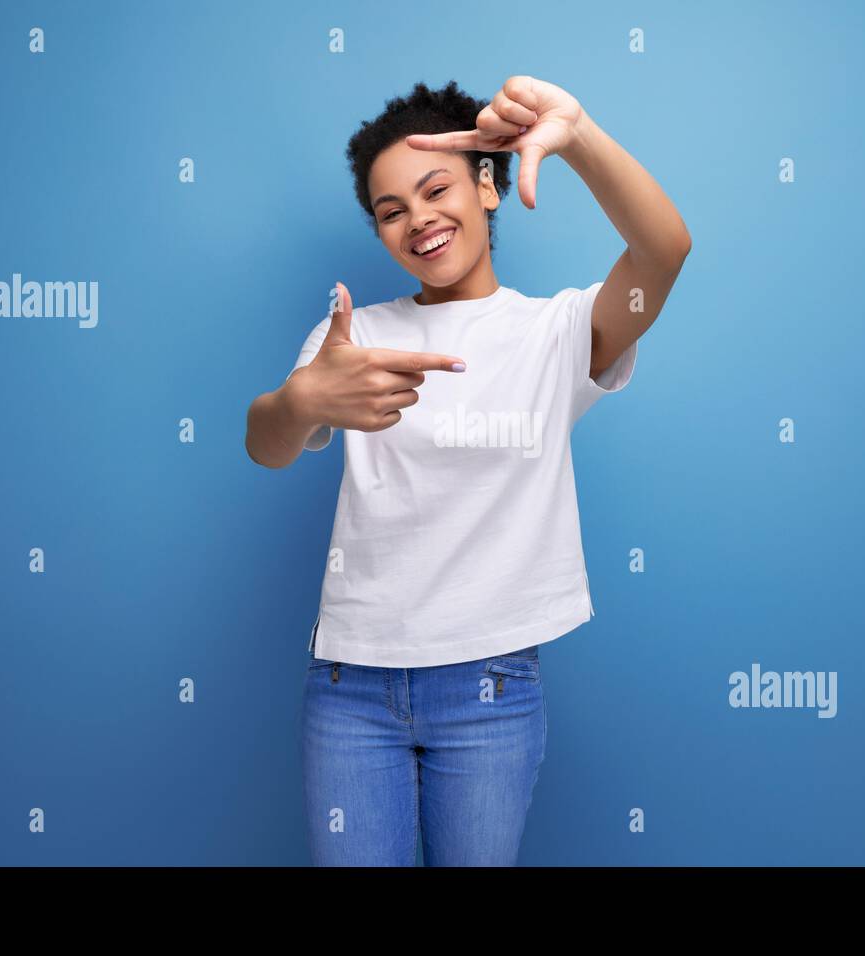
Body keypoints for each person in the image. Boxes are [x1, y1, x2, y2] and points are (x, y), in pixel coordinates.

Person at [245, 76, 691, 865]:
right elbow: (266, 444)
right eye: (391, 211)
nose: (417, 220)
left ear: (487, 184)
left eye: (435, 188)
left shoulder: (556, 333)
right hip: (351, 689)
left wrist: (578, 133)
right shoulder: (355, 335)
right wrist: (303, 397)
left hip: (489, 691)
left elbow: (664, 250)